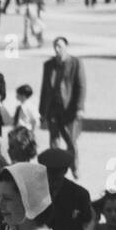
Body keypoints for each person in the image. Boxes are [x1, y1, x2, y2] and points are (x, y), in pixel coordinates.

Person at [38, 37, 86, 174]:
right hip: (53, 108)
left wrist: (79, 108)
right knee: (54, 141)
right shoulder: (48, 65)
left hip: (69, 110)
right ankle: (55, 169)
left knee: (71, 141)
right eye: (55, 46)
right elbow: (44, 88)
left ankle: (74, 166)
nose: (57, 49)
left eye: (60, 46)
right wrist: (42, 111)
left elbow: (81, 87)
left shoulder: (76, 63)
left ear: (66, 47)